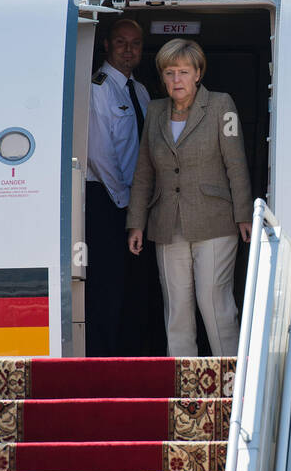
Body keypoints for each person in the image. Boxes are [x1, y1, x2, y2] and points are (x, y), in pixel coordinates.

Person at [126, 39, 253, 357]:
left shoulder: (221, 105)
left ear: (198, 73)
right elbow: (144, 171)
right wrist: (136, 223)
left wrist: (244, 215)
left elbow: (236, 163)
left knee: (215, 304)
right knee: (176, 310)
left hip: (216, 222)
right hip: (167, 225)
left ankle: (231, 378)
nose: (176, 79)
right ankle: (184, 379)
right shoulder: (155, 111)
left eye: (183, 71)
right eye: (169, 72)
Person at [84, 18, 162, 356]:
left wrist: (139, 206)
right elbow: (98, 154)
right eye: (120, 42)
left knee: (136, 289)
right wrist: (126, 203)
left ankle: (132, 358)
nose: (128, 50)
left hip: (136, 204)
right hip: (108, 200)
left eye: (135, 43)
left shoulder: (140, 91)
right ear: (106, 45)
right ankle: (103, 362)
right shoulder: (96, 88)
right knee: (108, 287)